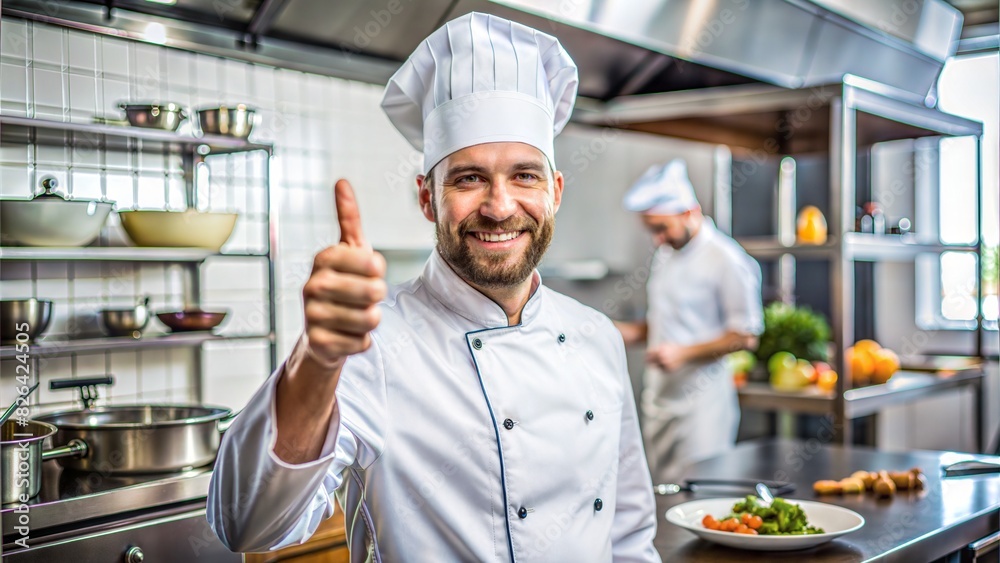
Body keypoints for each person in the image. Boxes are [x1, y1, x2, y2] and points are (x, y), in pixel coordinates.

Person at [207, 12, 659, 563]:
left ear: (555, 191)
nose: (500, 206)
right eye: (469, 178)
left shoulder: (596, 336)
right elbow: (245, 525)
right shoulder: (373, 343)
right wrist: (317, 360)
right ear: (427, 197)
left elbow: (630, 536)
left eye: (524, 175)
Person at [614, 160, 763, 484]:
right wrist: (618, 332)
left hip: (702, 407)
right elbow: (665, 323)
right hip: (660, 399)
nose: (657, 239)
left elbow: (746, 336)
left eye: (661, 228)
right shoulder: (666, 255)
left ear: (689, 212)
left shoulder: (726, 259)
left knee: (697, 492)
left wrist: (682, 354)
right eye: (652, 230)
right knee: (660, 491)